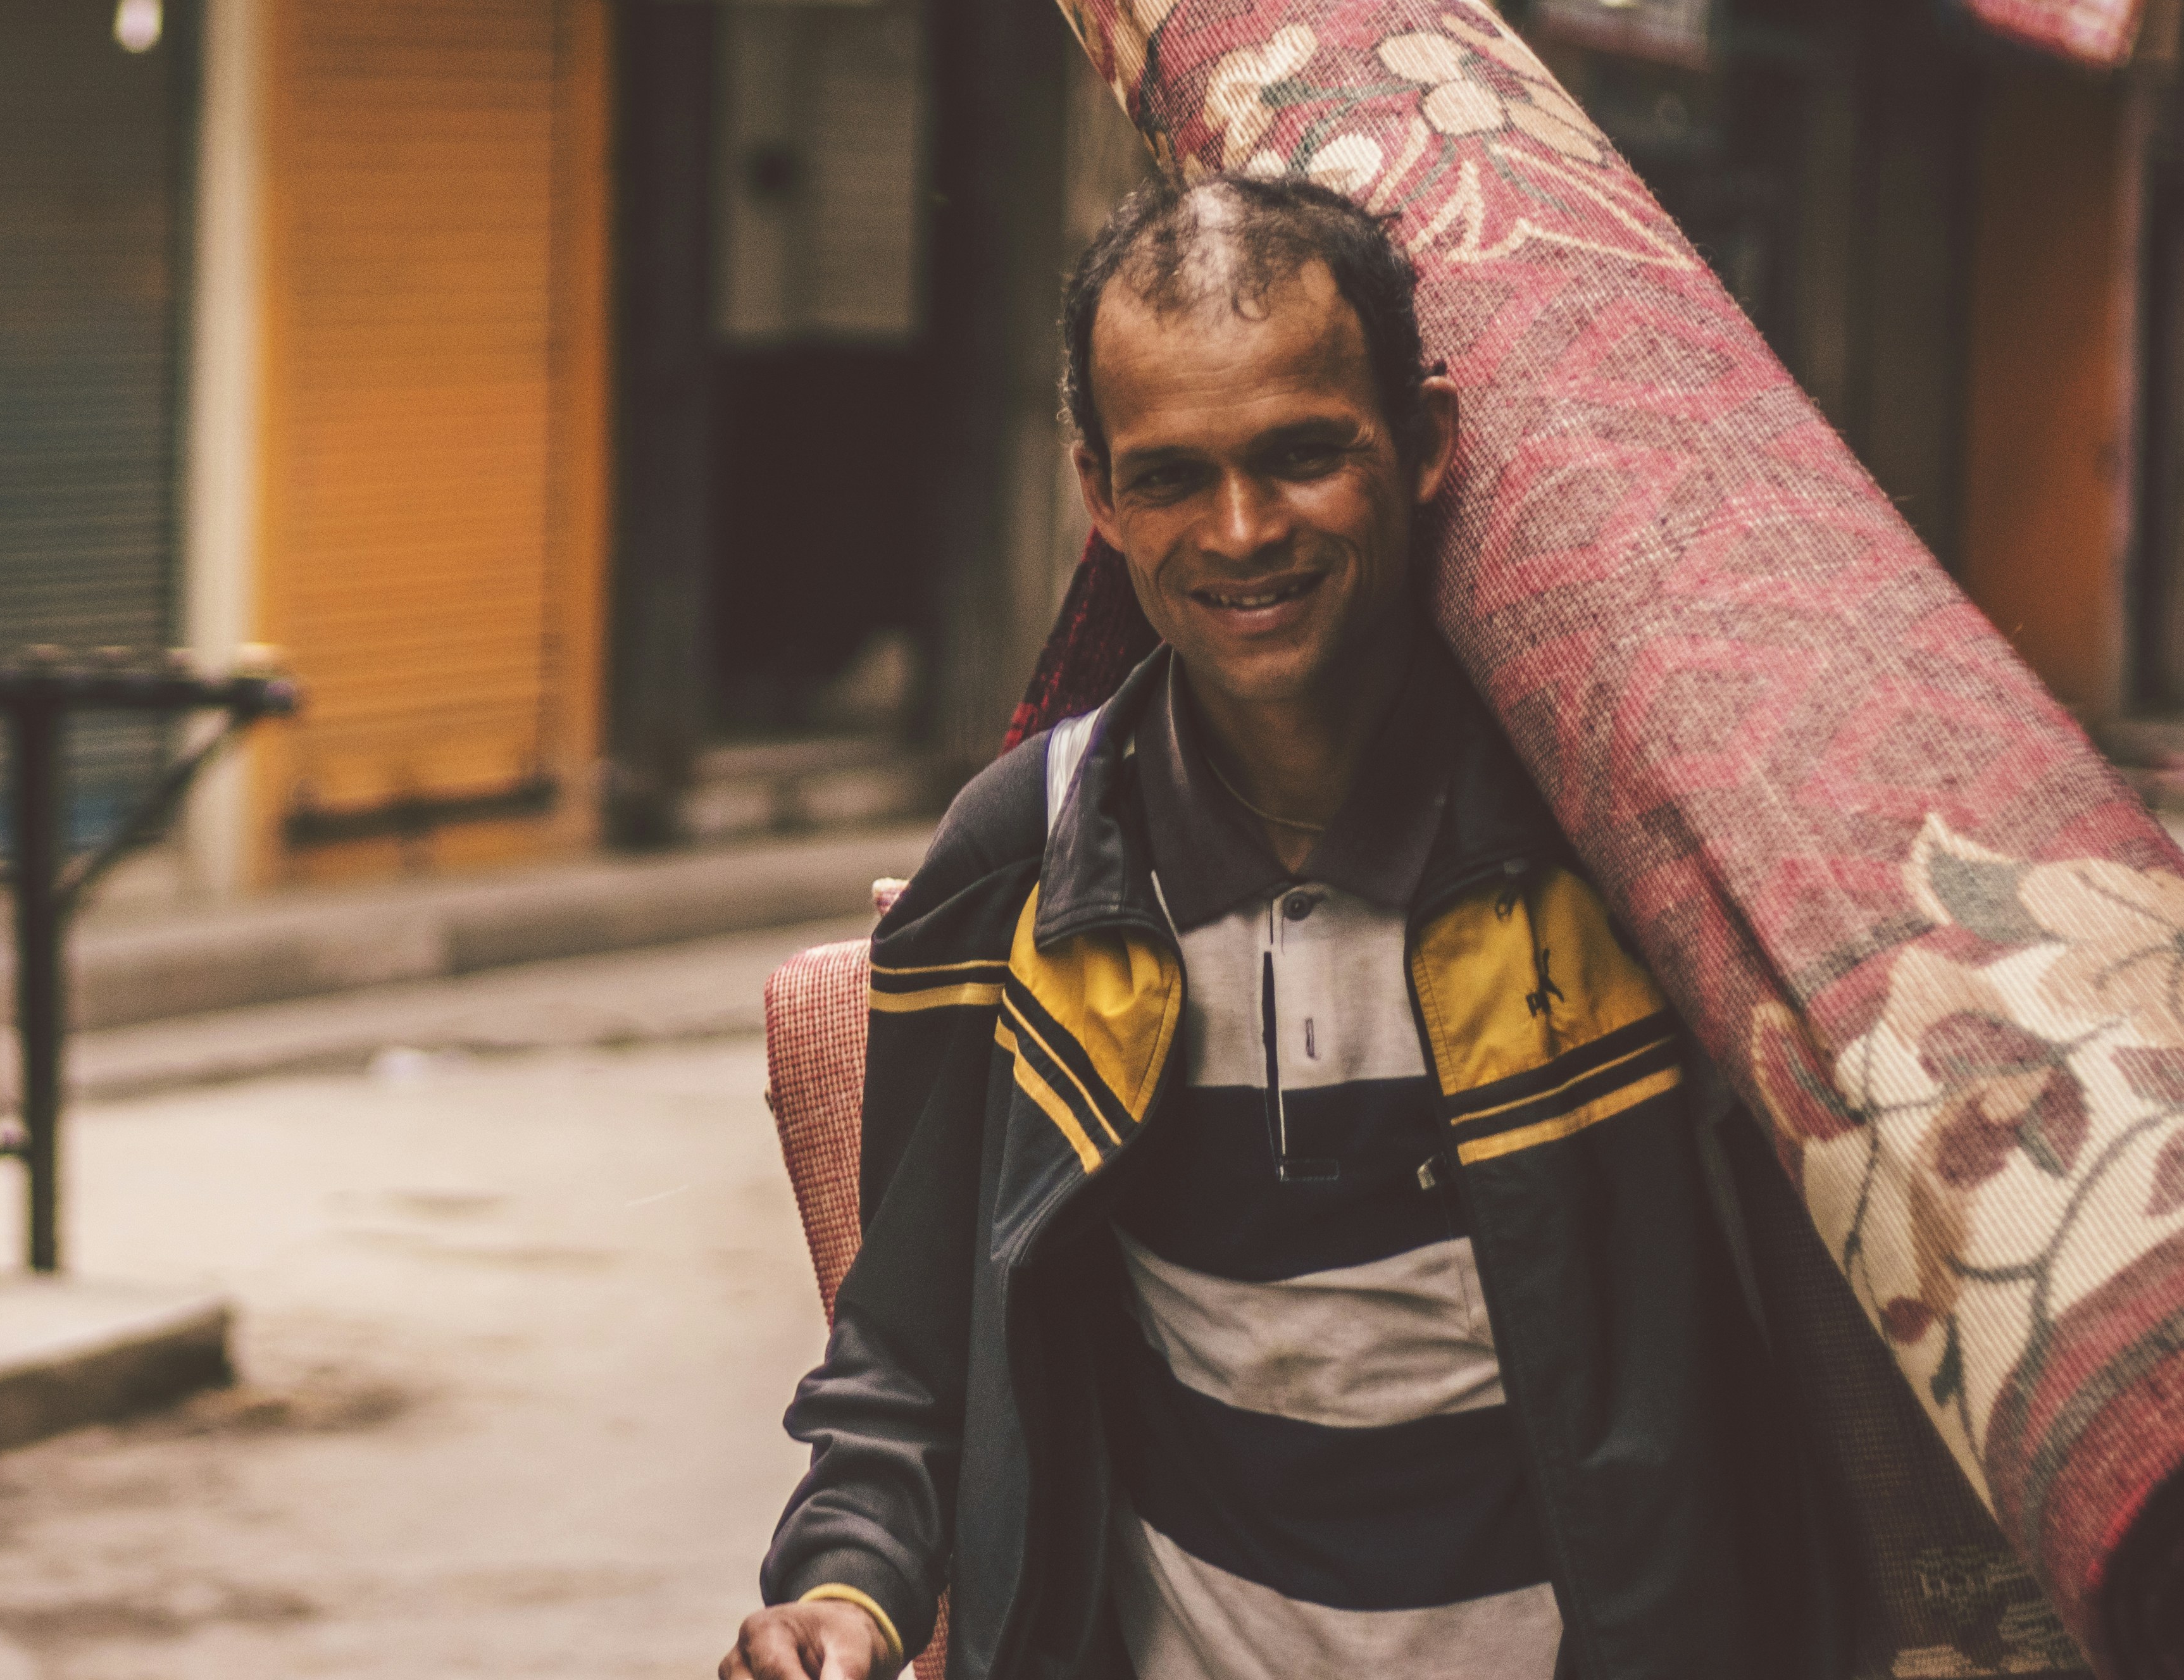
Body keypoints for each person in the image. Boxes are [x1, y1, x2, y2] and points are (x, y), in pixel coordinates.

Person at [724, 178, 1840, 1680]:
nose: (1242, 531)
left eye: (1303, 455)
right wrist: (845, 1593)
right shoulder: (1018, 866)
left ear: (1428, 443)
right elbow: (909, 1357)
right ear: (1101, 501)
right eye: (1173, 476)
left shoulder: (1611, 844)